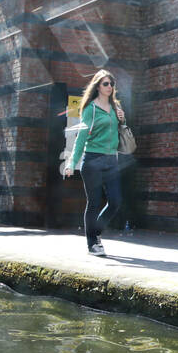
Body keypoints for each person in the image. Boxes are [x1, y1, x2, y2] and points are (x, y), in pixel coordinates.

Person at [62, 69, 126, 256]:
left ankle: (95, 232)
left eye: (111, 84)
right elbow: (81, 137)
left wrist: (122, 119)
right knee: (94, 202)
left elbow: (118, 131)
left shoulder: (116, 107)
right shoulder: (90, 109)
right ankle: (92, 244)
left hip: (111, 160)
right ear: (98, 86)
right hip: (92, 160)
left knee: (115, 201)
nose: (109, 87)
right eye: (105, 83)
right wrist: (71, 162)